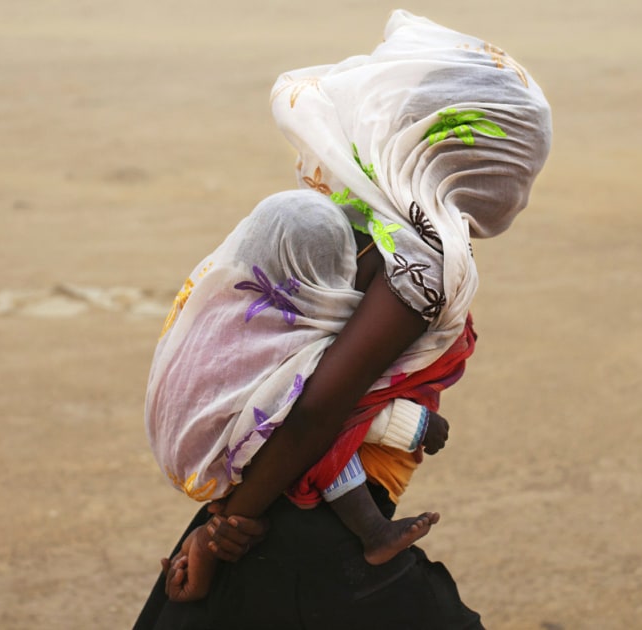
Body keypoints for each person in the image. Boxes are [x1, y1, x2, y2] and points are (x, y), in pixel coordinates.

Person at [137, 10, 551, 628]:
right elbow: (313, 407)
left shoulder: (360, 212)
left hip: (265, 502)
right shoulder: (421, 257)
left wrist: (215, 531)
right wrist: (230, 529)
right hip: (304, 538)